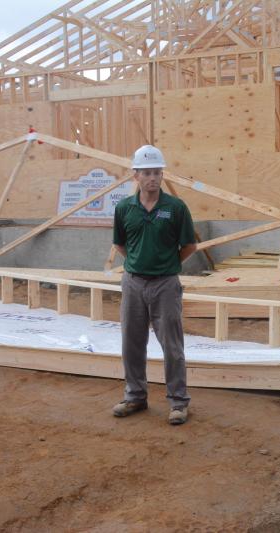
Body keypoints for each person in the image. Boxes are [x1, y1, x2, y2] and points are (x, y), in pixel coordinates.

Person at [111, 145, 197, 425]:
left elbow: (189, 245)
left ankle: (178, 402)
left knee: (172, 345)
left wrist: (166, 265)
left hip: (165, 284)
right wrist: (138, 262)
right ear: (135, 175)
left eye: (157, 172)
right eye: (146, 173)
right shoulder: (124, 208)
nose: (152, 178)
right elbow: (120, 244)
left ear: (162, 175)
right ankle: (135, 396)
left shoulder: (176, 208)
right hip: (133, 283)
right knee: (131, 343)